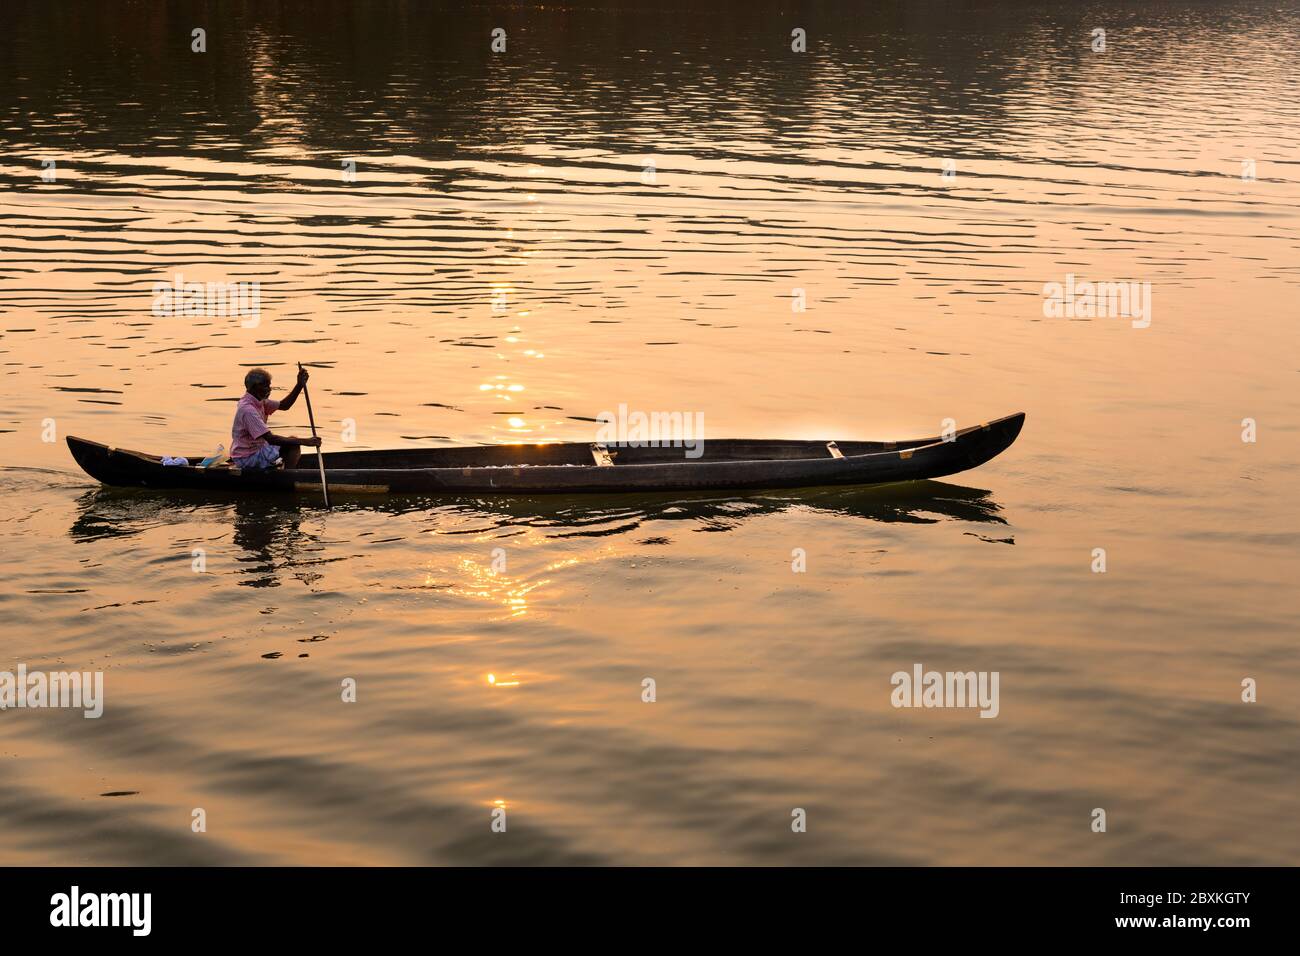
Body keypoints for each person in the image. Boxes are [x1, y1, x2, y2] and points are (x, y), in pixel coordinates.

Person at [230, 367, 320, 470]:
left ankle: (282, 470)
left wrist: (299, 385)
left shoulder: (259, 401)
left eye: (269, 385)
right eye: (266, 386)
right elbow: (271, 439)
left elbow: (285, 405)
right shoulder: (247, 410)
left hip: (256, 448)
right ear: (255, 387)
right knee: (293, 445)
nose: (269, 389)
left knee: (292, 440)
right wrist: (305, 441)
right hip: (247, 457)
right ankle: (288, 479)